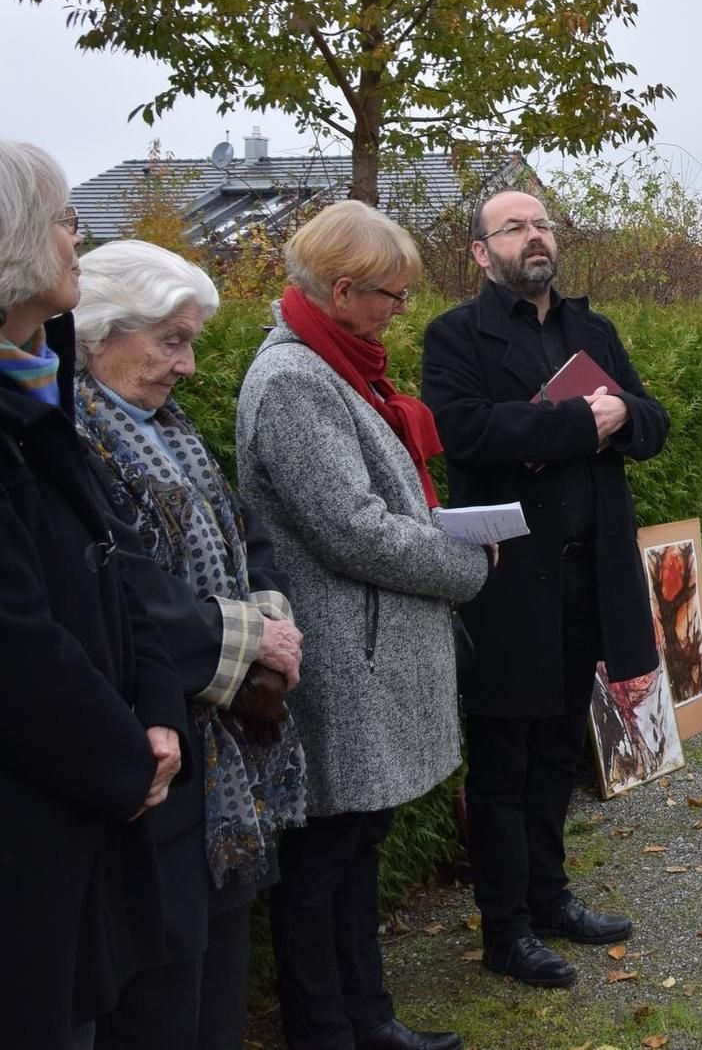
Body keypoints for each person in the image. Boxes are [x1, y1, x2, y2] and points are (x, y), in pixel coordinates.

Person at [235, 200, 492, 1050]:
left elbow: (379, 508)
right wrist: (464, 563)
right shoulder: (297, 379)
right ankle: (328, 1029)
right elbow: (351, 527)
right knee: (322, 859)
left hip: (365, 651)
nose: (399, 311)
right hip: (340, 656)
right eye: (391, 294)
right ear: (342, 291)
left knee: (355, 844)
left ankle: (367, 1016)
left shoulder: (340, 365)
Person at [422, 189, 668, 989]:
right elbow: (467, 431)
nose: (535, 237)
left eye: (543, 225)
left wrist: (623, 415)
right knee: (503, 760)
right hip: (506, 580)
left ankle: (550, 895)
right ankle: (505, 929)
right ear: (479, 251)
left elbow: (653, 423)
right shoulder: (456, 335)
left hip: (586, 574)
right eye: (515, 227)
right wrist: (582, 422)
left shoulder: (589, 329)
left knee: (561, 745)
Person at [73, 240, 308, 1050]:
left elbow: (246, 532)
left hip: (225, 759)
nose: (190, 365)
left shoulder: (168, 426)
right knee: (159, 1004)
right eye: (172, 340)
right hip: (158, 742)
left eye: (193, 340)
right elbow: (131, 591)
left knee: (216, 986)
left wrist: (272, 622)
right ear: (101, 332)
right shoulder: (75, 437)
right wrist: (254, 643)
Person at [0, 141, 184, 1049]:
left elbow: (120, 571)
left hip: (85, 801)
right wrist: (128, 755)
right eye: (69, 218)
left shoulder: (40, 385)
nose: (81, 239)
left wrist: (158, 715)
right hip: (32, 819)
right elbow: (16, 641)